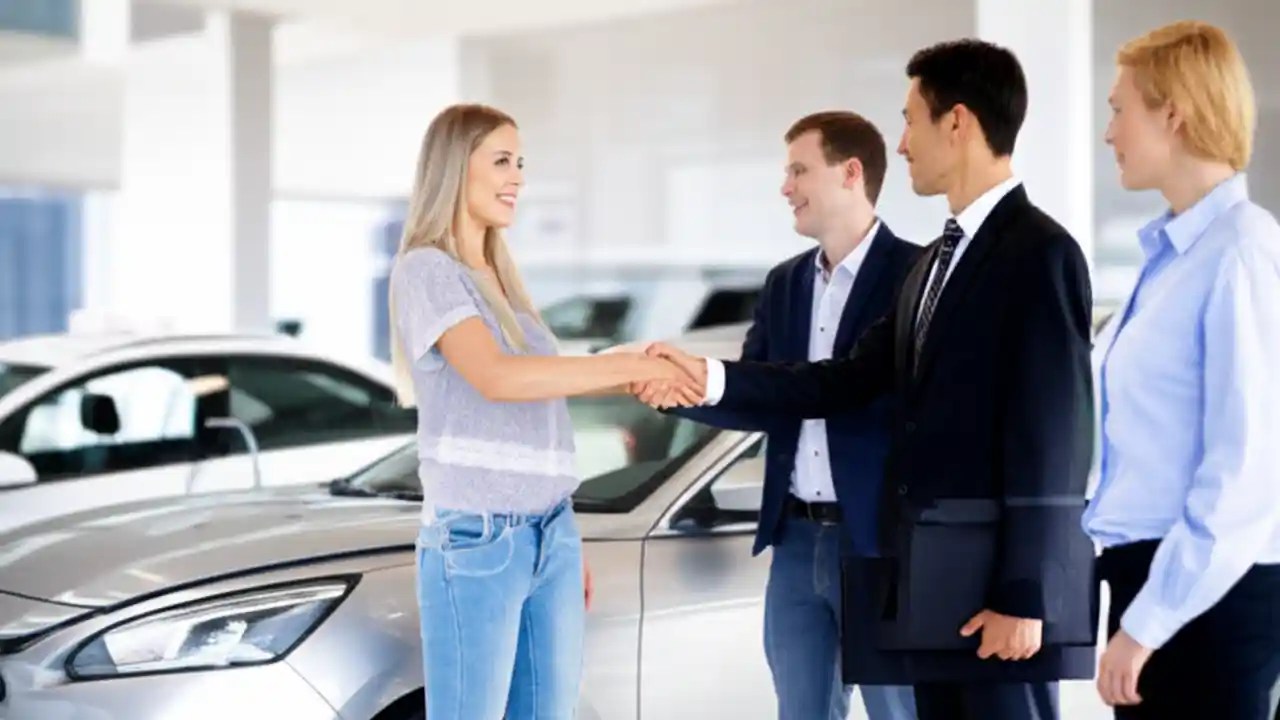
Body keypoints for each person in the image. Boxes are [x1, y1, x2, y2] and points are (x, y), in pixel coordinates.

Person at [639, 39, 1097, 720]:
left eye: (911, 120)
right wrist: (707, 379)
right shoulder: (934, 266)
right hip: (931, 579)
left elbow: (1055, 433)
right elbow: (840, 381)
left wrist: (1025, 593)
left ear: (958, 122)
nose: (903, 144)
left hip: (994, 591)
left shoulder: (1040, 251)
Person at [389, 103, 699, 720]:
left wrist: (634, 358)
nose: (518, 178)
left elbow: (540, 396)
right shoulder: (426, 269)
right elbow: (499, 379)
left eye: (521, 163)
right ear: (455, 168)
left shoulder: (502, 280)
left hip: (548, 532)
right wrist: (631, 369)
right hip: (479, 540)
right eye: (502, 160)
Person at [667, 111, 919, 720]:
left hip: (884, 545)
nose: (786, 187)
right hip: (795, 541)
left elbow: (863, 393)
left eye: (799, 170)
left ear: (851, 172)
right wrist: (681, 392)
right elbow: (759, 392)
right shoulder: (783, 285)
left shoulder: (915, 275)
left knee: (901, 714)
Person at [1087, 20, 1280, 719]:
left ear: (1174, 112)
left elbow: (1245, 470)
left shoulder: (1241, 250)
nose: (1108, 132)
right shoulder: (1175, 255)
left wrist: (1149, 622)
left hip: (1203, 602)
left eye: (1118, 108)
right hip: (1156, 585)